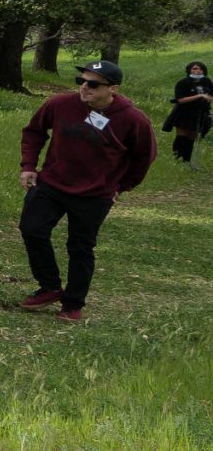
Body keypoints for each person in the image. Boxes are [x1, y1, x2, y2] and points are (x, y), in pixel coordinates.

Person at [17, 59, 155, 323]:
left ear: (112, 89)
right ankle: (49, 287)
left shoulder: (133, 119)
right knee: (32, 229)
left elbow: (143, 157)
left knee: (80, 247)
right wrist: (28, 166)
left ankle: (72, 304)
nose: (84, 87)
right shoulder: (59, 104)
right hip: (52, 183)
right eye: (81, 81)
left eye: (93, 84)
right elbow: (34, 132)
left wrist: (121, 187)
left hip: (95, 194)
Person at [166, 60, 212, 166]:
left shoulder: (207, 81)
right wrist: (199, 96)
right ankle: (177, 159)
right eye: (195, 68)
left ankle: (186, 161)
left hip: (201, 113)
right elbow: (180, 100)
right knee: (182, 136)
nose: (198, 71)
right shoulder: (182, 82)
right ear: (189, 70)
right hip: (184, 113)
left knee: (192, 137)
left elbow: (211, 94)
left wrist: (209, 98)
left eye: (200, 69)